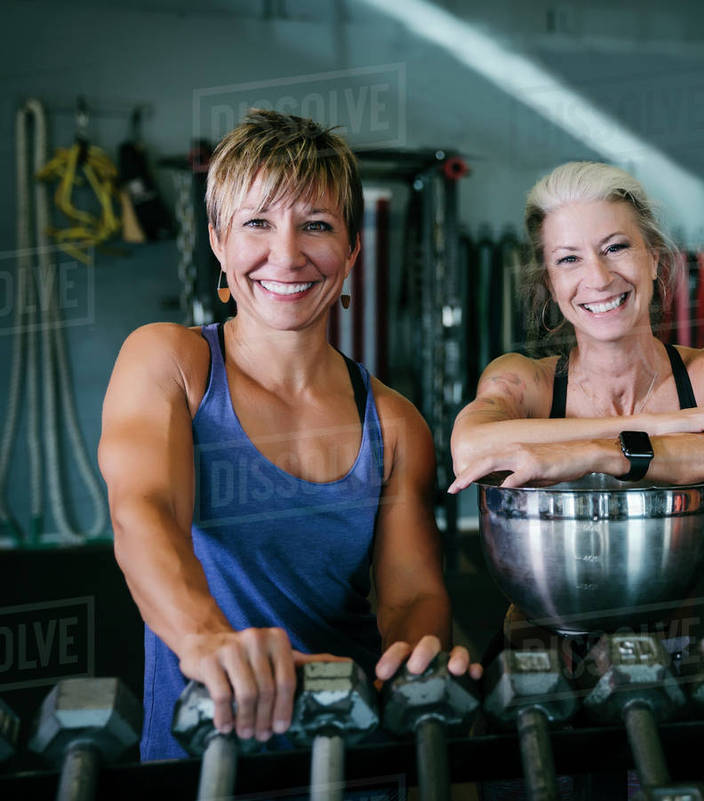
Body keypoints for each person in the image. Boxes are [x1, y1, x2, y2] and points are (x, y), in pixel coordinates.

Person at [99, 110, 479, 761]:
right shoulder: (170, 364)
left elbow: (412, 596)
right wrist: (207, 641)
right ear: (218, 241)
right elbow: (144, 513)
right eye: (257, 223)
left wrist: (415, 659)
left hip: (354, 755)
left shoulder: (394, 423)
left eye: (317, 225)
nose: (287, 253)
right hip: (202, 758)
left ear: (351, 250)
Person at [449, 160, 704, 494]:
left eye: (615, 248)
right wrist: (659, 425)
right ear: (550, 283)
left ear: (653, 258)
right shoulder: (524, 381)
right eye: (569, 259)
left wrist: (601, 453)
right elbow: (469, 448)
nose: (599, 278)